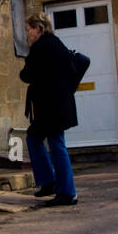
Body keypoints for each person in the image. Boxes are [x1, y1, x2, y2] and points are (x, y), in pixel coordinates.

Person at [19, 12, 78, 206]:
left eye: (29, 29)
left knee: (54, 144)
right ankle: (50, 183)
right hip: (59, 104)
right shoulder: (57, 44)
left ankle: (66, 192)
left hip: (50, 107)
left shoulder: (41, 47)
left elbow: (26, 75)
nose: (28, 34)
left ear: (38, 28)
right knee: (40, 139)